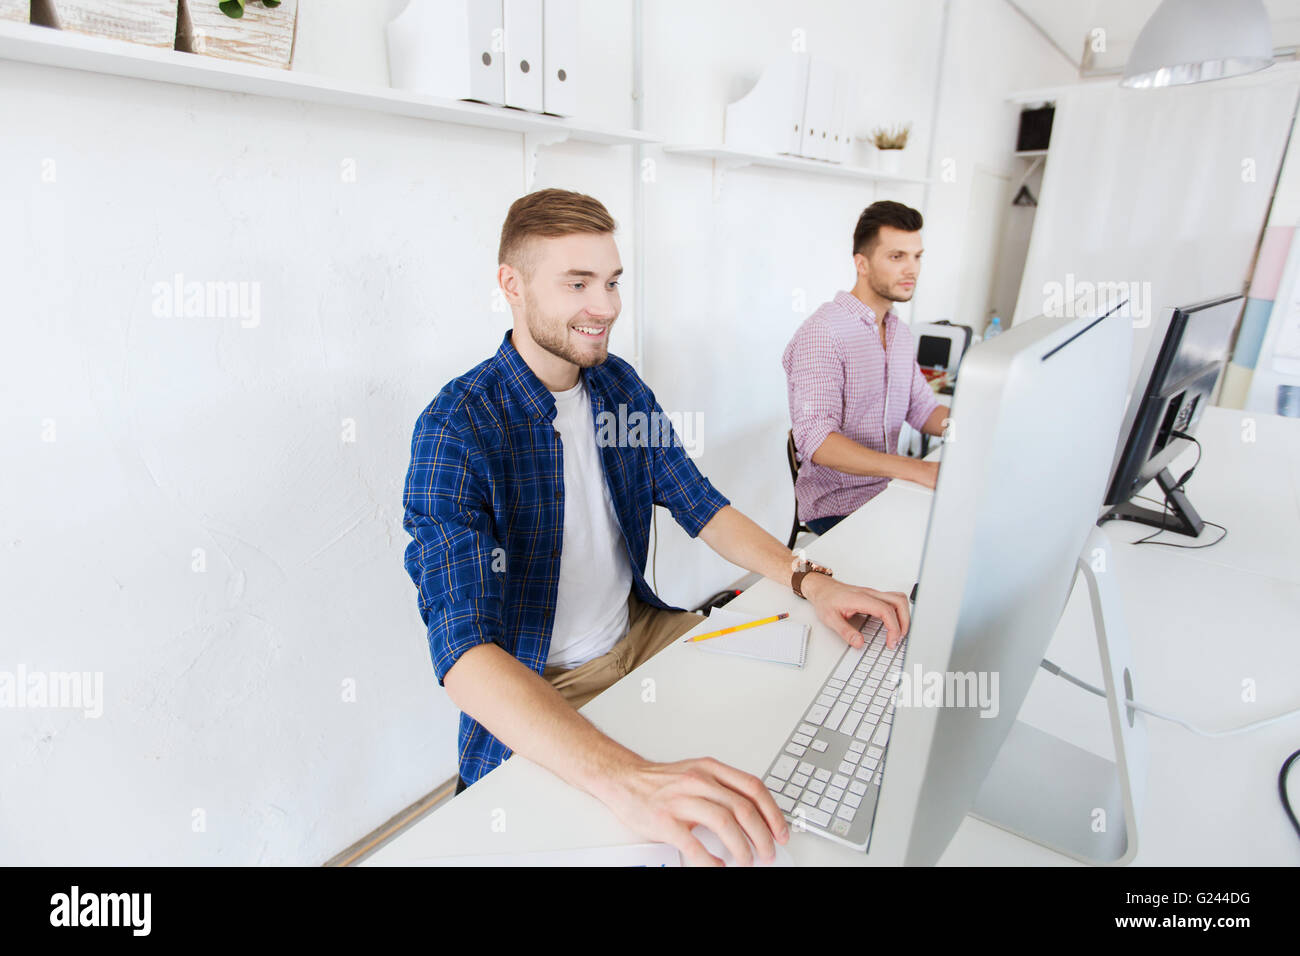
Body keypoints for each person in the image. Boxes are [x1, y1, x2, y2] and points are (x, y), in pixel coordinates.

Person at [401, 188, 912, 866]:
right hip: (543, 681)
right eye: (578, 283)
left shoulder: (617, 387)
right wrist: (627, 780)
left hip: (642, 634)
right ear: (512, 286)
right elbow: (462, 657)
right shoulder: (457, 426)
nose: (607, 307)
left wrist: (808, 578)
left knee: (806, 700)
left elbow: (699, 504)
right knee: (658, 832)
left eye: (612, 282)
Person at [782, 201, 951, 536]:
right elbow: (819, 442)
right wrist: (914, 469)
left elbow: (923, 408)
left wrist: (980, 427)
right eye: (896, 256)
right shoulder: (823, 333)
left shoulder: (899, 332)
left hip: (892, 490)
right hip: (840, 505)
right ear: (862, 263)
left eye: (917, 256)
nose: (911, 269)